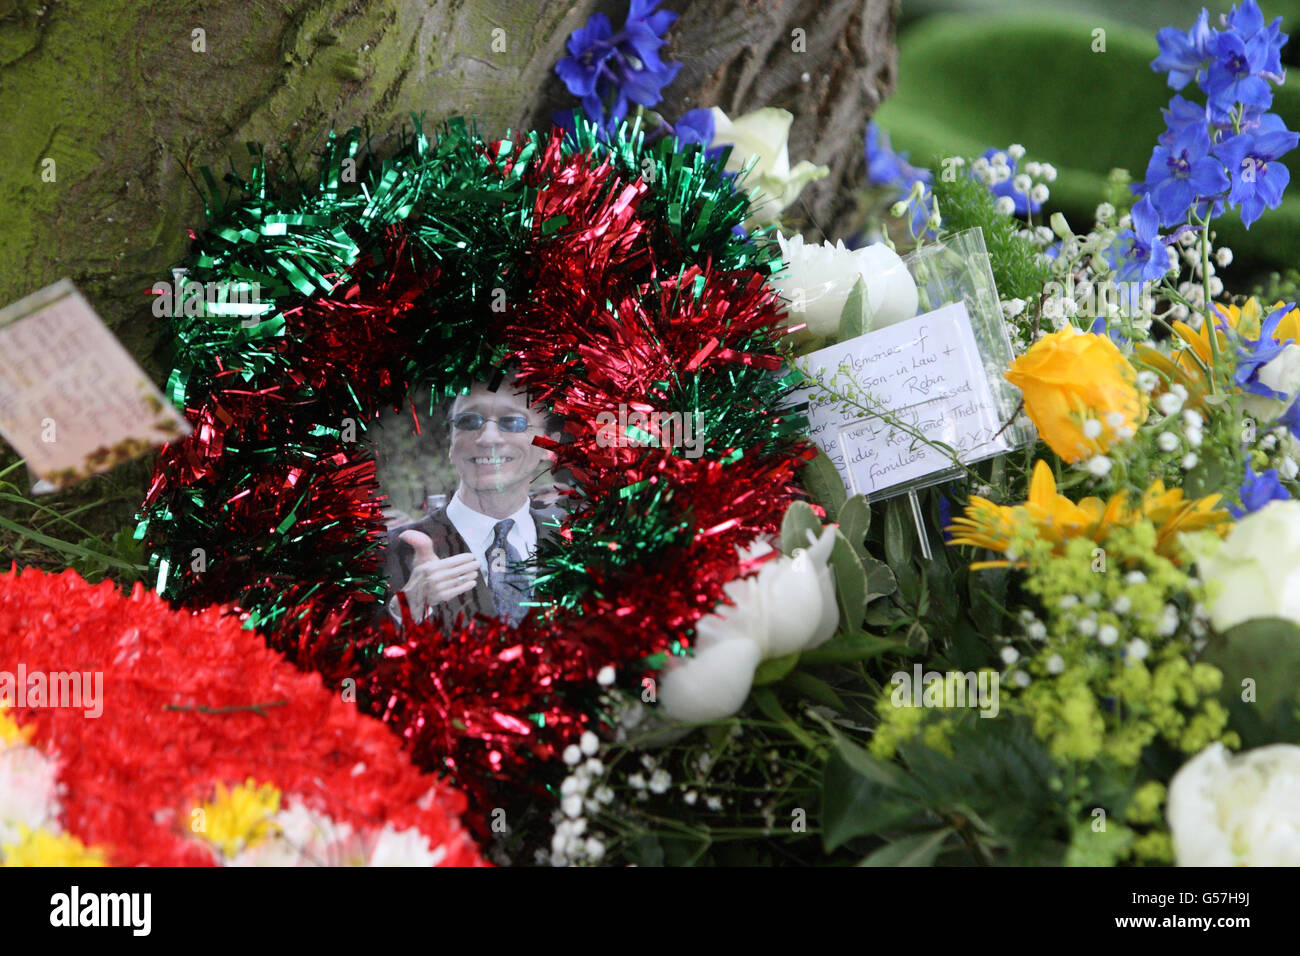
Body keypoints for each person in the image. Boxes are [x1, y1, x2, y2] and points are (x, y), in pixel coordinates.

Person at [383, 375, 565, 630]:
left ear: (550, 445)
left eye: (512, 422)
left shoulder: (577, 540)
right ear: (452, 444)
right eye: (469, 421)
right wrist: (405, 612)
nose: (488, 438)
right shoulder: (386, 554)